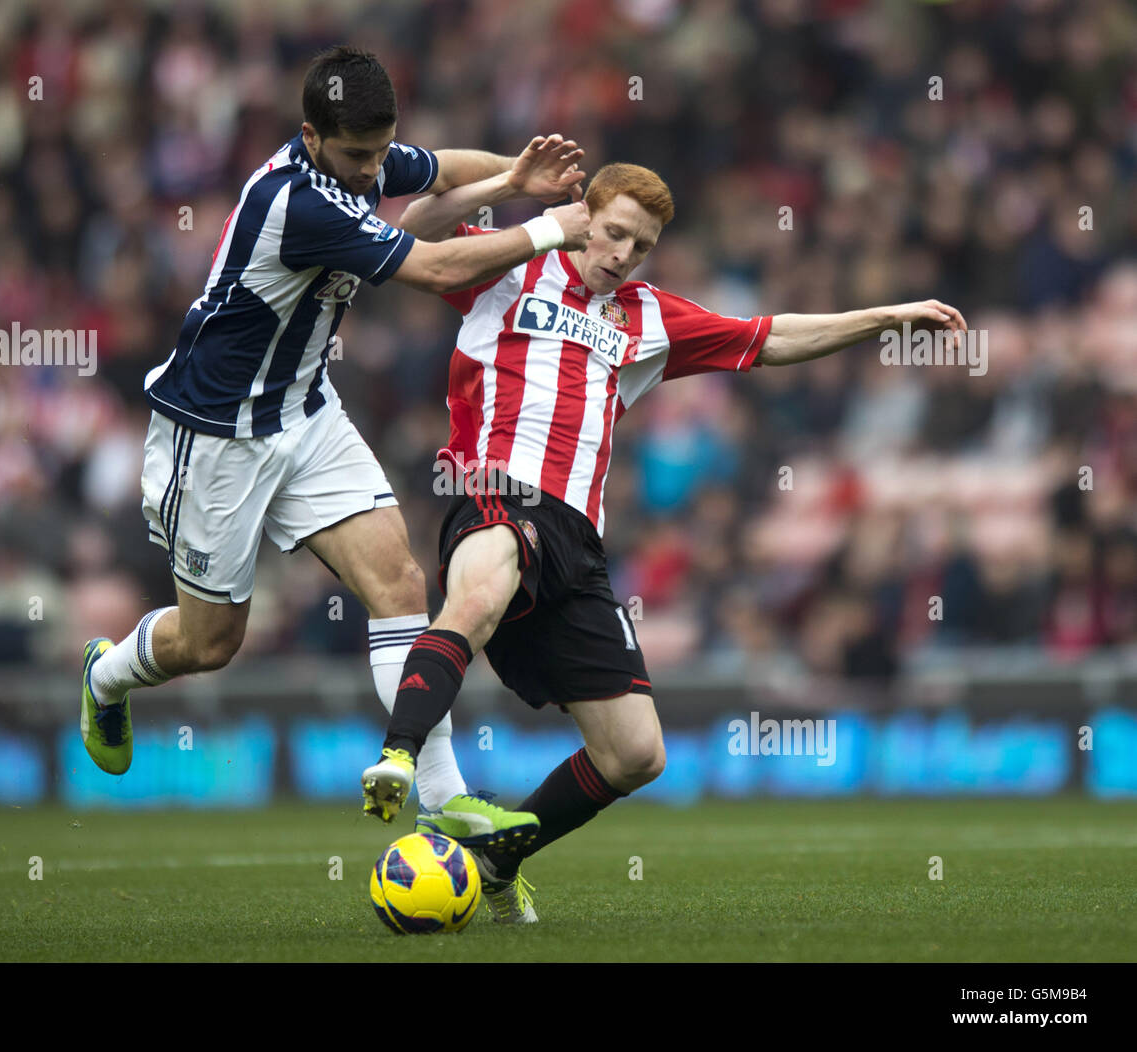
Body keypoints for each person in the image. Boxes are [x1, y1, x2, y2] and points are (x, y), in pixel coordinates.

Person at [362, 161, 967, 920]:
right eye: (613, 231)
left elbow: (769, 339)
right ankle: (399, 759)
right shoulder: (511, 264)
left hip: (577, 540)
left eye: (639, 245)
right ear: (585, 213)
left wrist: (882, 318)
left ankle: (495, 858)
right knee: (479, 589)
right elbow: (399, 242)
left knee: (636, 754)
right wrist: (510, 186)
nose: (621, 253)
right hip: (493, 490)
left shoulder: (650, 316)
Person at [78, 44, 593, 853]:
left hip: (306, 413)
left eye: (381, 152)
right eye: (357, 156)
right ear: (310, 136)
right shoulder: (297, 201)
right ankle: (106, 674)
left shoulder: (359, 160)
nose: (372, 170)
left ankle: (445, 801)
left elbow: (434, 170)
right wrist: (545, 227)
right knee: (211, 643)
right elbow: (434, 265)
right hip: (217, 437)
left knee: (399, 585)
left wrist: (514, 172)